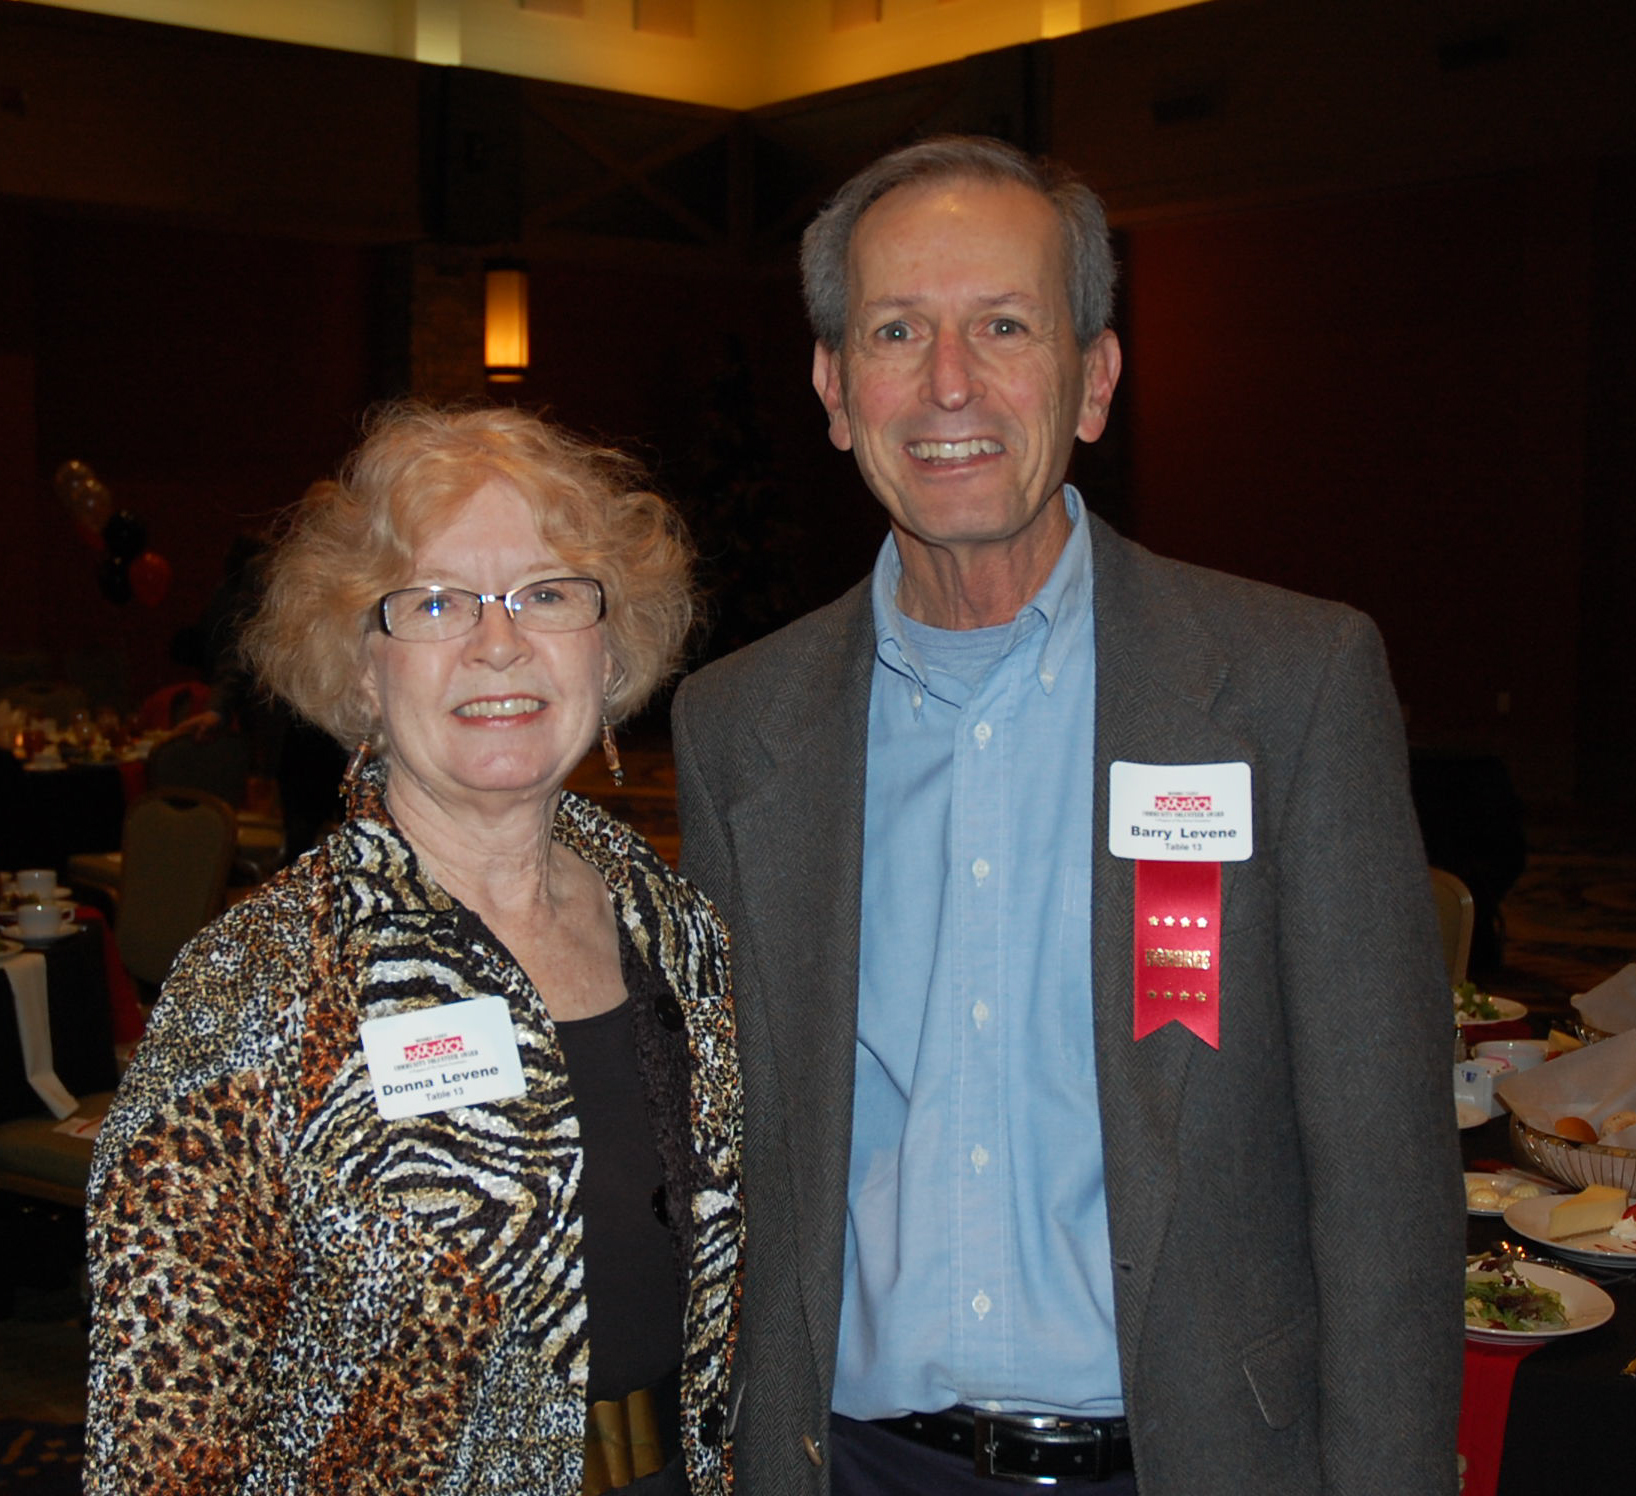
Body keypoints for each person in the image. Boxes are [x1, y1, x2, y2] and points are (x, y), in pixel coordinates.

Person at [671, 136, 1463, 1495]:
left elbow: (1385, 1182)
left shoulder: (1288, 687)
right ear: (835, 391)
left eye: (1004, 325)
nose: (949, 383)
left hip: (1194, 1462)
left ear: (1093, 380)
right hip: (852, 1461)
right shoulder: (741, 725)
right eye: (896, 330)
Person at [86, 403, 742, 1496]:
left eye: (547, 594)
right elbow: (164, 1435)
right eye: (436, 602)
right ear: (361, 671)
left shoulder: (678, 928)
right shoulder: (258, 981)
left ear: (610, 646)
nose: (499, 643)